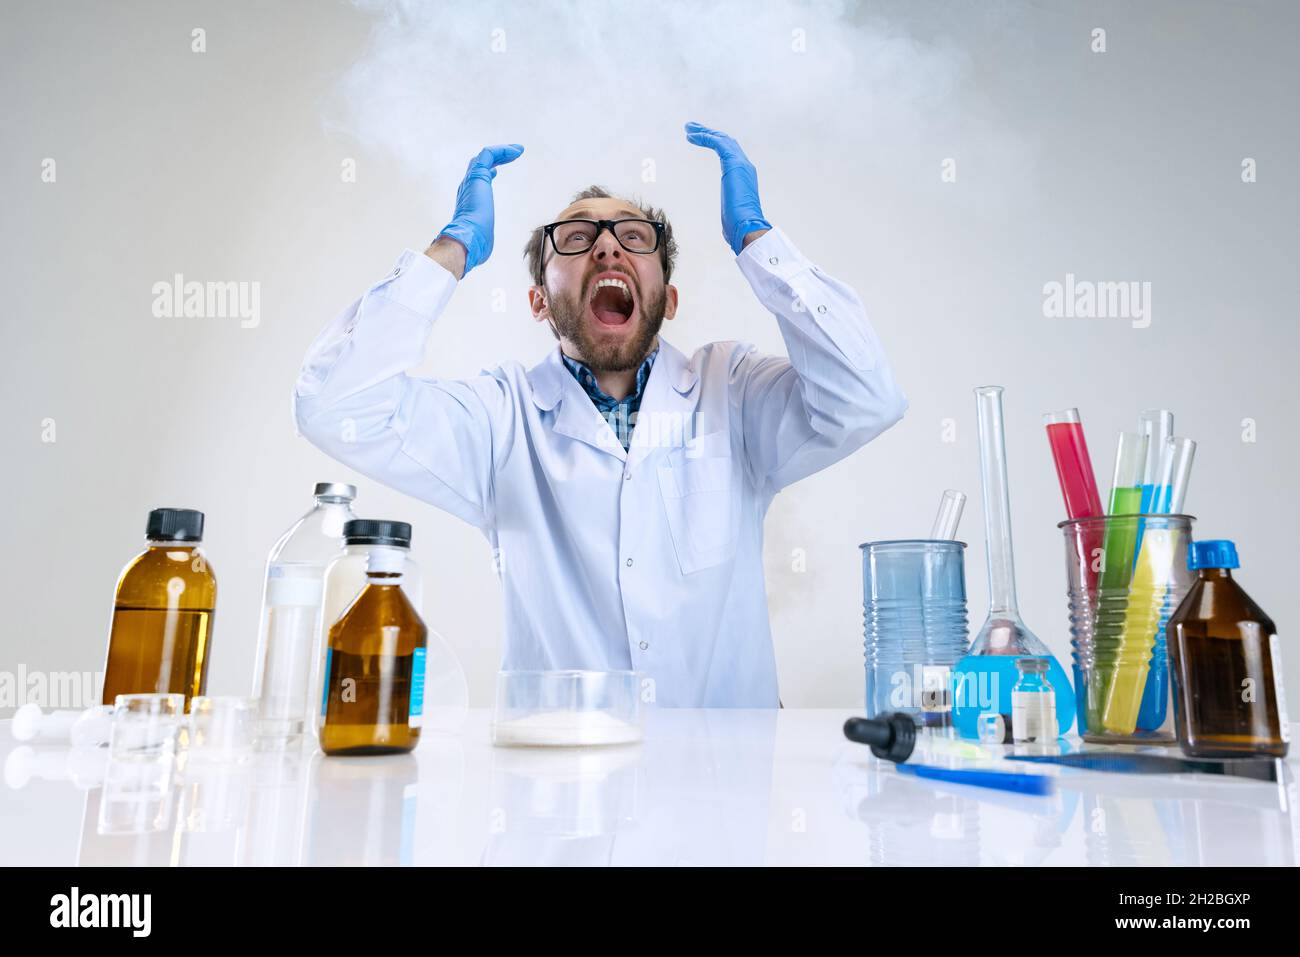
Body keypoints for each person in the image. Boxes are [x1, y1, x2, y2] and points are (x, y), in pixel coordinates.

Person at [293, 122, 907, 707]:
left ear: (668, 299)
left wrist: (759, 242)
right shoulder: (500, 419)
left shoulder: (735, 392)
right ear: (539, 301)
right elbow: (335, 405)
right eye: (578, 238)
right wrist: (449, 252)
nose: (608, 245)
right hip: (560, 785)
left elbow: (864, 397)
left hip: (727, 784)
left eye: (634, 238)